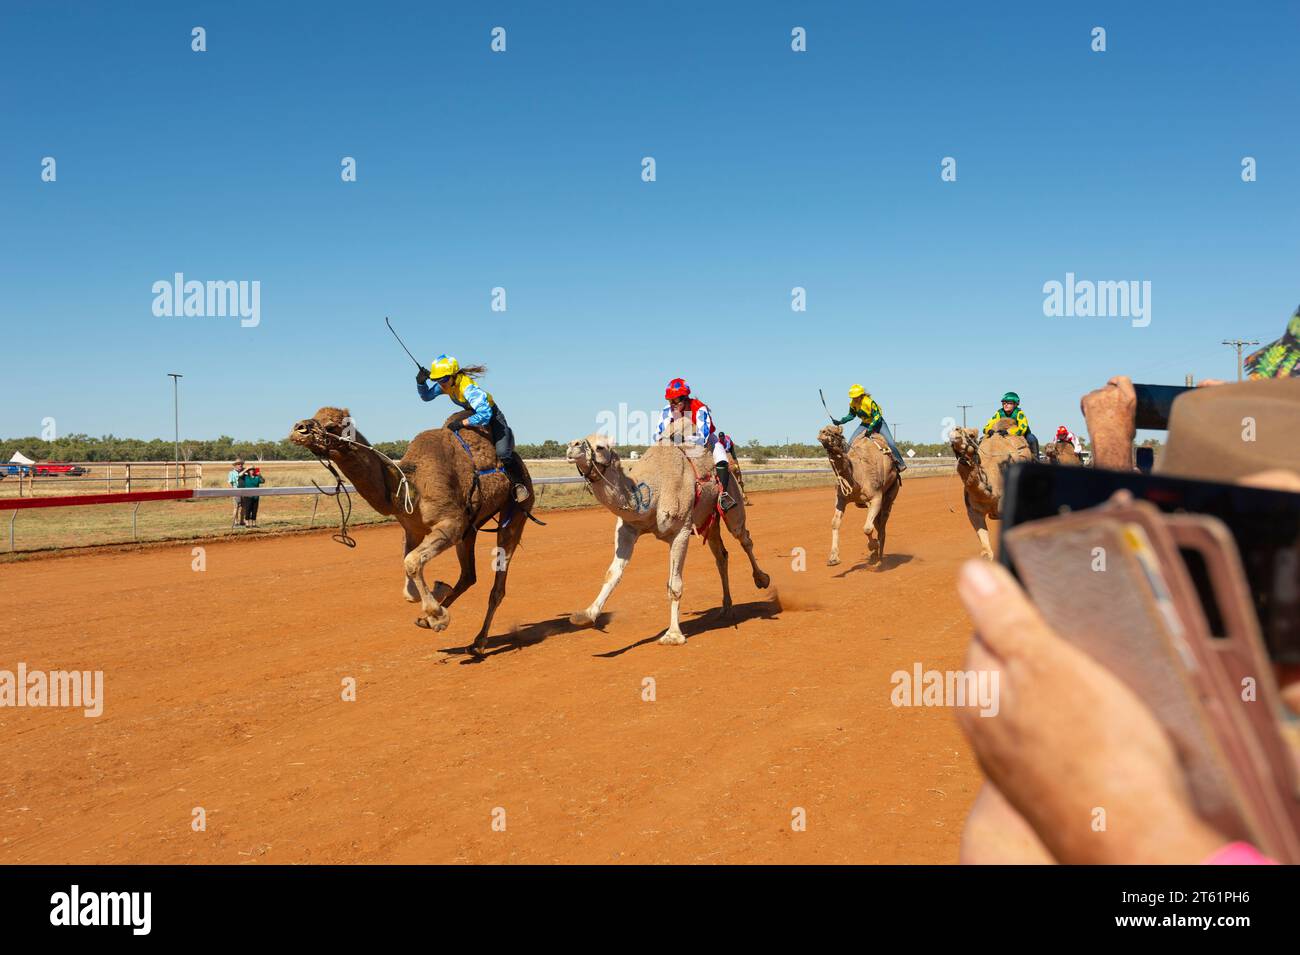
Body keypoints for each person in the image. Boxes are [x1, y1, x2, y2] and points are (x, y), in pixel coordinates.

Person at [417, 354, 529, 504]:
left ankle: (519, 484)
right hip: (471, 413)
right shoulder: (446, 384)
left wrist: (462, 423)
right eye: (436, 379)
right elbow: (427, 397)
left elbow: (485, 414)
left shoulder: (467, 388)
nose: (440, 383)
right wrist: (421, 383)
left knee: (502, 453)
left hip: (492, 415)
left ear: (454, 375)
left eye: (443, 379)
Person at [654, 378, 738, 511]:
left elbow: (703, 436)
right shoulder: (668, 410)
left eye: (675, 400)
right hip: (677, 441)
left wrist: (683, 438)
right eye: (669, 400)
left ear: (685, 397)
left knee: (721, 456)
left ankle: (724, 495)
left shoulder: (699, 408)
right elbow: (659, 433)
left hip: (705, 441)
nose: (672, 404)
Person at [831, 384, 906, 471]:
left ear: (861, 395)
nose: (854, 399)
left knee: (891, 443)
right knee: (850, 443)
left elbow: (877, 416)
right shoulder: (852, 403)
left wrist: (870, 428)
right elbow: (851, 415)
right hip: (864, 424)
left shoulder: (869, 402)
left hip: (879, 423)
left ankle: (901, 463)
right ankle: (848, 467)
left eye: (856, 397)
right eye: (852, 397)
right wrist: (840, 421)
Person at [983, 391, 1038, 459]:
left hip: (1021, 435)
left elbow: (1022, 428)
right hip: (1001, 434)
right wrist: (988, 430)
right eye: (1004, 403)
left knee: (1032, 438)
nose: (1005, 405)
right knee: (982, 439)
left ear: (1015, 404)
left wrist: (1008, 432)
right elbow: (989, 424)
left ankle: (1035, 459)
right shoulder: (999, 413)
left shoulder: (1019, 413)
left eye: (1009, 403)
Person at [227, 458, 247, 528]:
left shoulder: (245, 472)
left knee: (243, 507)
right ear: (235, 465)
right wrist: (232, 491)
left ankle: (242, 521)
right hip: (236, 491)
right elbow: (230, 483)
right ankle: (236, 522)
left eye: (241, 464)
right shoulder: (231, 473)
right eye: (238, 464)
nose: (240, 465)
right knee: (236, 507)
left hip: (244, 491)